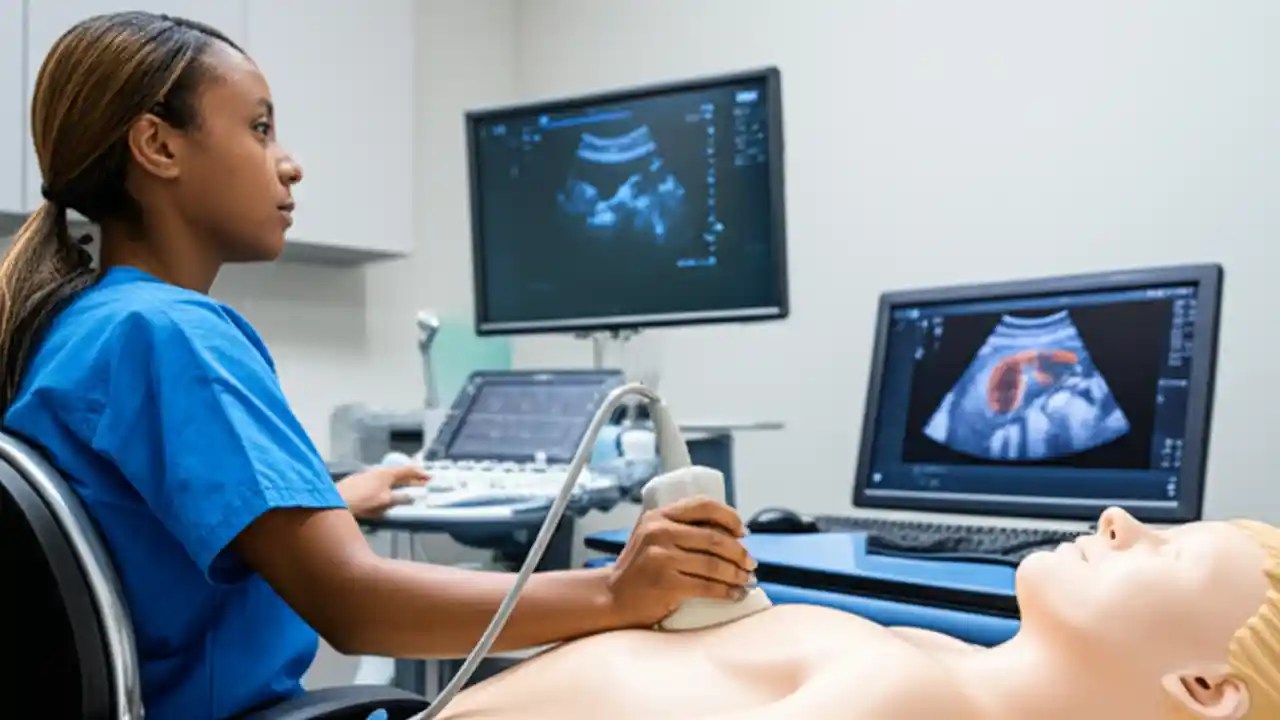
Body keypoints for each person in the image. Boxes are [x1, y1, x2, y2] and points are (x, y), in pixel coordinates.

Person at [0, 12, 756, 720]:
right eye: (260, 129)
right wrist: (616, 590)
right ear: (158, 147)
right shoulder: (174, 335)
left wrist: (333, 501)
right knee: (799, 655)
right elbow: (354, 606)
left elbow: (150, 518)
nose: (289, 164)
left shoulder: (77, 326)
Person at [428, 506, 1280, 720]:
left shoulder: (908, 694)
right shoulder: (928, 657)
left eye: (1170, 551)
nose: (1120, 521)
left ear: (1204, 689)